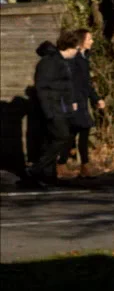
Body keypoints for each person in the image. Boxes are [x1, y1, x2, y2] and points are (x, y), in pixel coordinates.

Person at [25, 31, 84, 188]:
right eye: (77, 49)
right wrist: (49, 112)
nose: (78, 52)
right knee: (62, 137)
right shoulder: (50, 62)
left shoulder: (60, 61)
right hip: (52, 108)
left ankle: (48, 175)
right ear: (69, 47)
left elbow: (64, 86)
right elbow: (43, 88)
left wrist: (71, 102)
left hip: (60, 107)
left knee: (51, 140)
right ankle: (36, 170)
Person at [69, 29, 105, 177]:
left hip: (82, 100)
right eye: (89, 39)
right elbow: (76, 82)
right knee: (81, 129)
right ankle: (82, 165)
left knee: (77, 131)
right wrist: (73, 100)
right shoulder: (75, 59)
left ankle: (76, 164)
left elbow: (87, 83)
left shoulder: (84, 57)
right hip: (76, 101)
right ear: (81, 41)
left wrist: (96, 98)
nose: (92, 41)